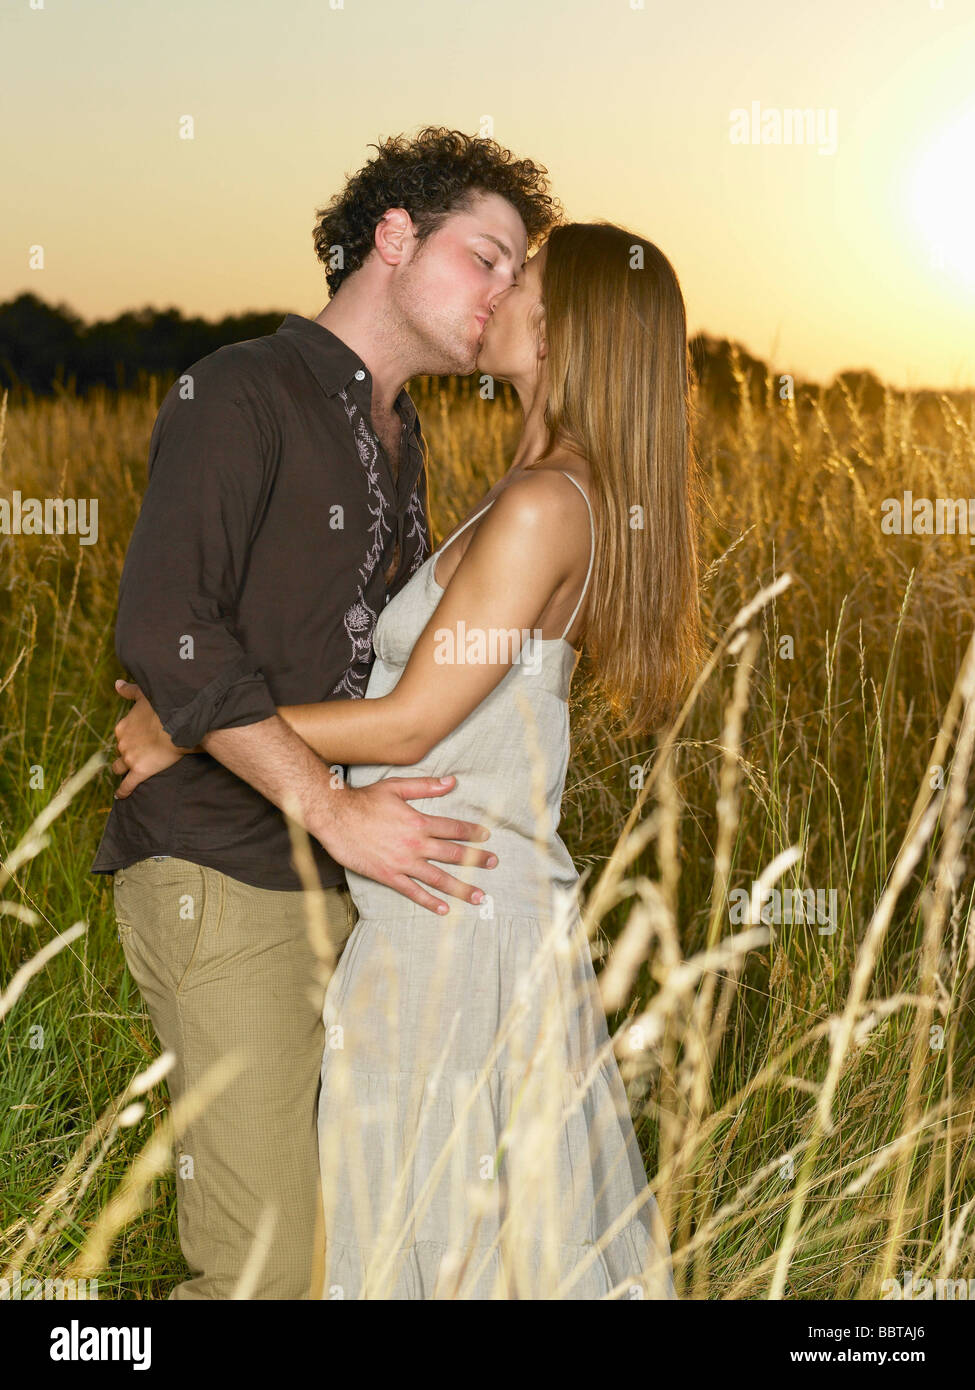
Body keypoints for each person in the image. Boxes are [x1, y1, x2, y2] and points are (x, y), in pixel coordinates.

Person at [113, 221, 704, 1298]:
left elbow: (408, 725)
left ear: (571, 326)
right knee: (456, 1227)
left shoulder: (539, 507)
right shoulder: (532, 491)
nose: (501, 292)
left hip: (453, 908)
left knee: (426, 1226)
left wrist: (191, 723)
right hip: (449, 894)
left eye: (522, 275)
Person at [96, 126, 560, 1299]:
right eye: (488, 255)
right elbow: (167, 631)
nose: (504, 292)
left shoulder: (405, 439)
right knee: (263, 1274)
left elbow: (364, 675)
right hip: (225, 866)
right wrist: (325, 803)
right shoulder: (242, 386)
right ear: (394, 237)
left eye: (520, 271)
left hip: (343, 894)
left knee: (353, 1247)